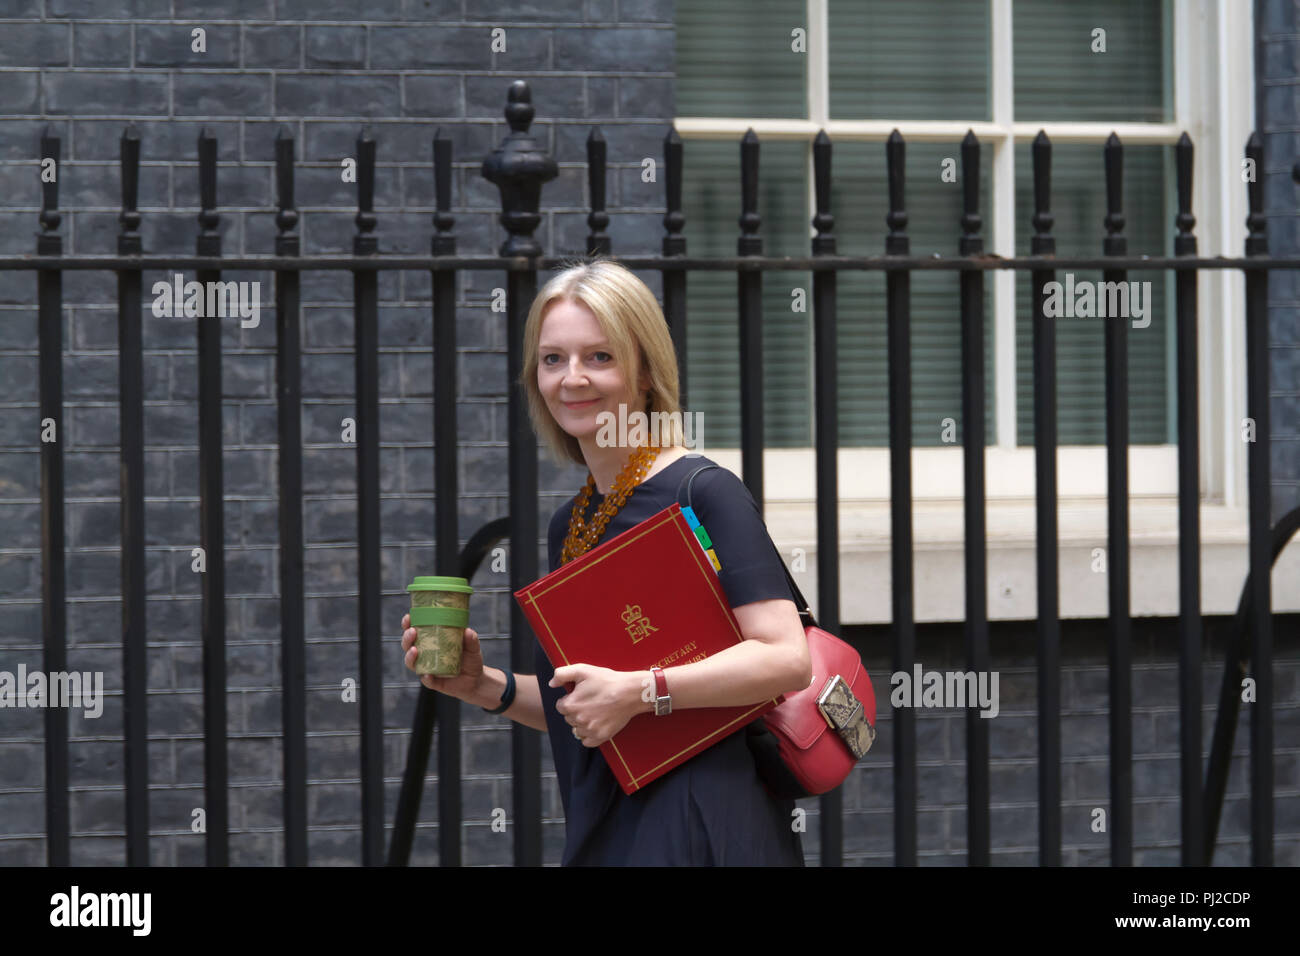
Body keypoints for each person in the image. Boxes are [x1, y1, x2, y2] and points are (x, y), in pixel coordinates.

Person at [399, 257, 810, 865]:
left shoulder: (701, 491)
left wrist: (642, 690)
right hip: (608, 819)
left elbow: (786, 657)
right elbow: (591, 708)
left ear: (644, 370)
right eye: (552, 358)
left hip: (703, 823)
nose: (572, 378)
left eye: (600, 356)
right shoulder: (571, 522)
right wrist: (484, 686)